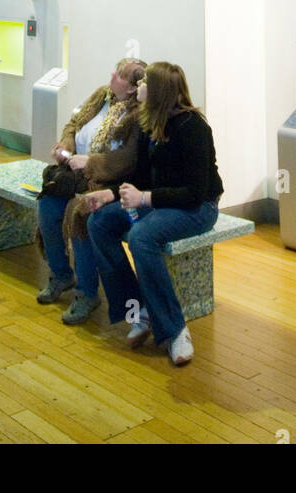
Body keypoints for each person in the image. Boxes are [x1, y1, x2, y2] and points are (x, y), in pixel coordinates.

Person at [86, 61, 223, 366]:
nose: (140, 87)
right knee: (100, 222)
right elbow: (141, 173)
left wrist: (144, 198)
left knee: (141, 237)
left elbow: (195, 194)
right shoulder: (151, 124)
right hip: (160, 202)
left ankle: (175, 330)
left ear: (159, 91)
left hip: (198, 209)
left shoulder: (194, 129)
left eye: (145, 82)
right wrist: (109, 194)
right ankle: (140, 309)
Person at [36, 57, 145, 324]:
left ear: (132, 88)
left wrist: (91, 162)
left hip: (106, 184)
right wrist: (66, 143)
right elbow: (74, 123)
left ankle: (87, 293)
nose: (112, 75)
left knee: (81, 215)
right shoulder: (101, 95)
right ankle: (61, 274)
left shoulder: (136, 115)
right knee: (48, 205)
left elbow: (126, 160)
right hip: (76, 175)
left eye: (119, 74)